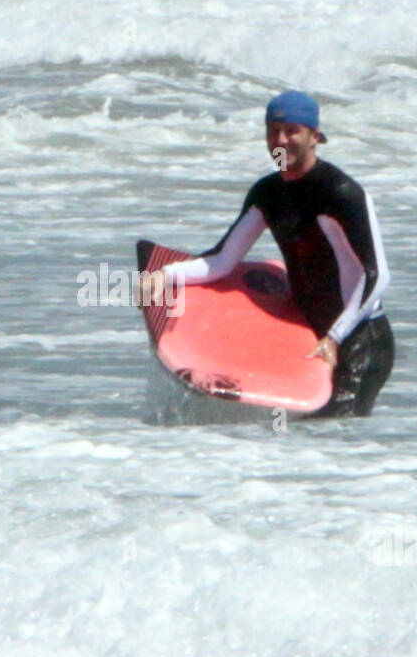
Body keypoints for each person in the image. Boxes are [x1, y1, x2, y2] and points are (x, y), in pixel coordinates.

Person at [141, 91, 393, 416]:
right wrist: (165, 274)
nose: (281, 140)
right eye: (273, 130)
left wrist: (334, 338)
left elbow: (376, 275)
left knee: (335, 434)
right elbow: (222, 260)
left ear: (314, 137)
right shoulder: (268, 193)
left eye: (292, 131)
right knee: (310, 435)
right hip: (309, 335)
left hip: (362, 339)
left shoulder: (340, 193)